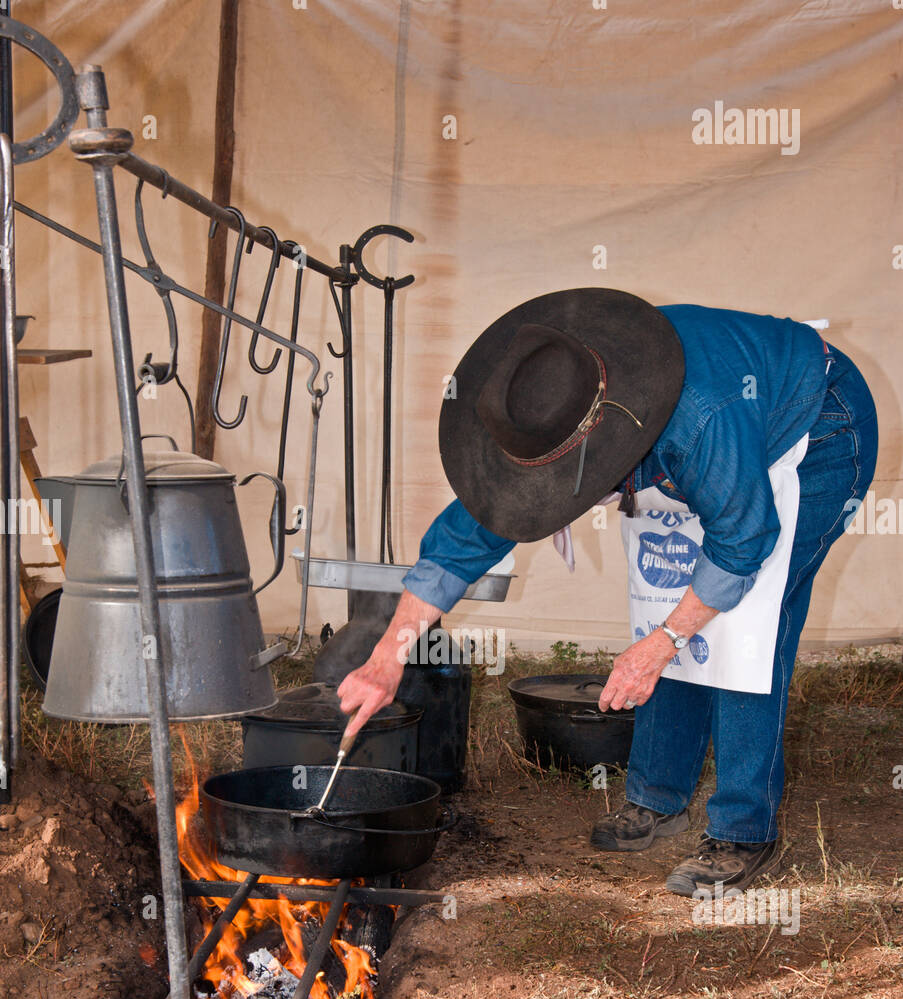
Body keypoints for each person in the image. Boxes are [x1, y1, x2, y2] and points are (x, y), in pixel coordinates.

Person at [337, 289, 878, 895]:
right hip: (708, 443)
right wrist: (386, 661)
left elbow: (743, 544)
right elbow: (456, 550)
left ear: (600, 442)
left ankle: (742, 831)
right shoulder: (538, 409)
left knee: (746, 622)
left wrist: (664, 644)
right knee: (667, 597)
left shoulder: (699, 418)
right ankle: (658, 797)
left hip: (815, 425)